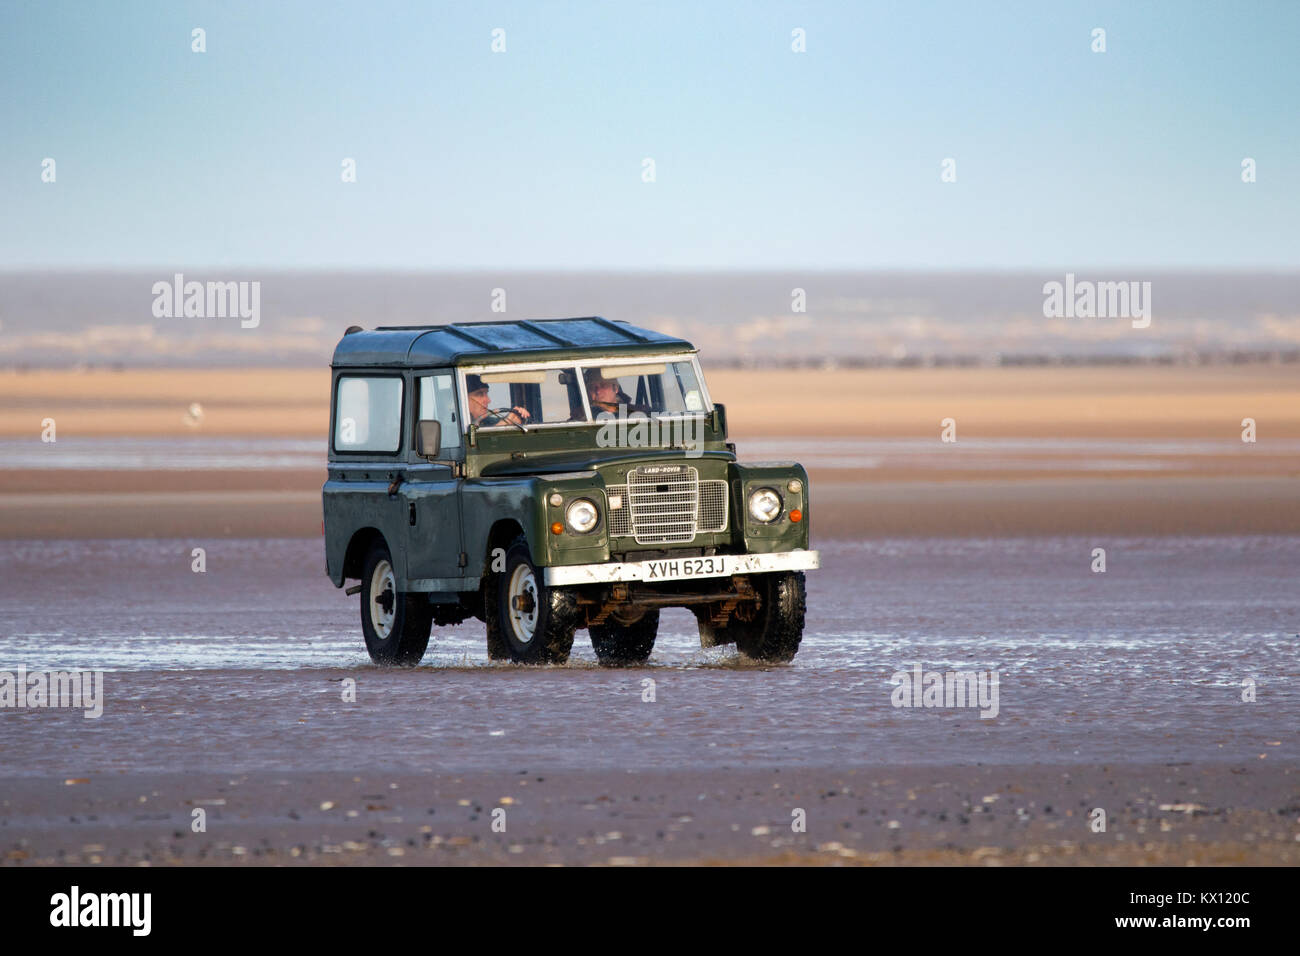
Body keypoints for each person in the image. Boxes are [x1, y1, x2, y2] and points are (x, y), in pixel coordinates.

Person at [466, 373, 530, 427]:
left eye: (486, 393)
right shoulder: (458, 427)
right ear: (464, 399)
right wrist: (501, 426)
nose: (488, 400)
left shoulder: (488, 421)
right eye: (479, 394)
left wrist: (517, 418)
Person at [584, 369, 651, 418]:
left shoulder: (637, 413)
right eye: (592, 387)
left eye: (603, 385)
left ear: (615, 388)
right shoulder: (583, 416)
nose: (598, 391)